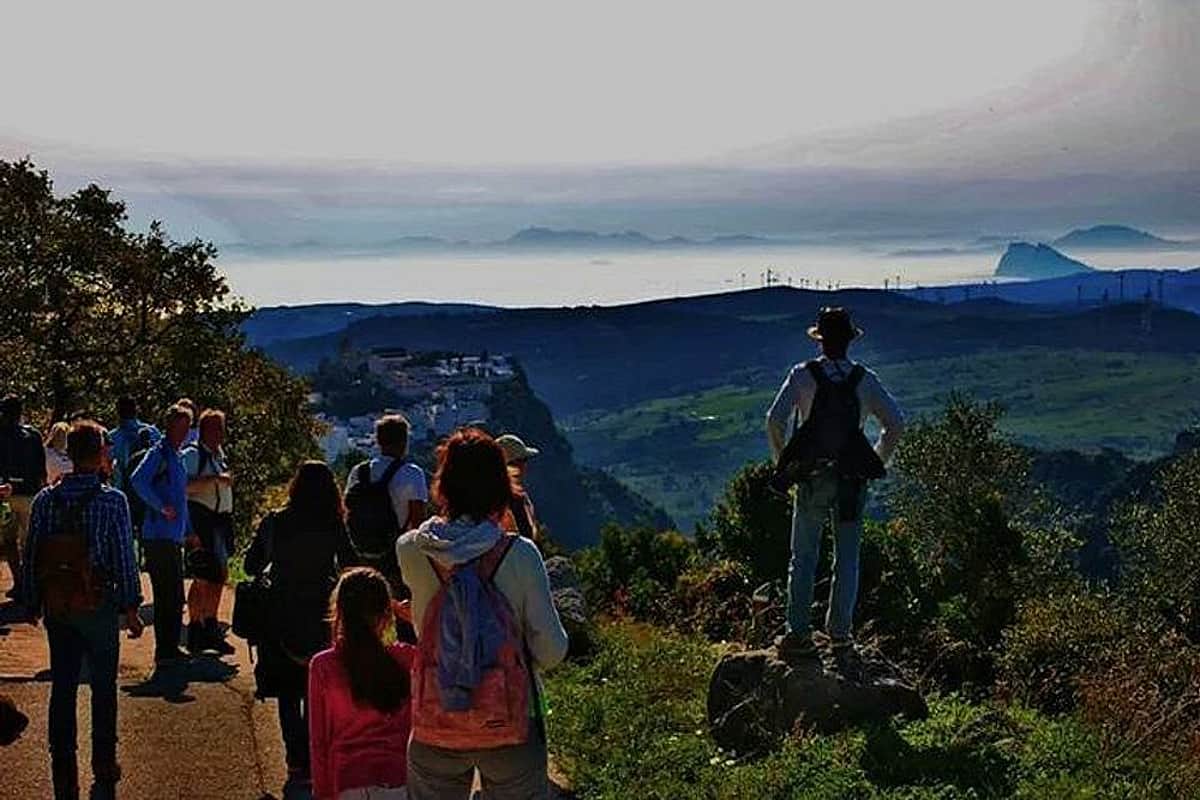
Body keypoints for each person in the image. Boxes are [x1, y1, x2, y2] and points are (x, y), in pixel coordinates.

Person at [397, 428, 568, 800]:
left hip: (436, 711)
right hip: (509, 718)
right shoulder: (520, 555)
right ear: (501, 485)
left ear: (443, 484)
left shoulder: (411, 549)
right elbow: (552, 650)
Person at [766, 307, 905, 672]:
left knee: (804, 556)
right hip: (851, 480)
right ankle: (840, 634)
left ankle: (798, 634)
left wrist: (786, 463)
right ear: (850, 340)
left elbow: (774, 420)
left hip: (811, 477)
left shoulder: (801, 376)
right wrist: (877, 460)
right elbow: (895, 424)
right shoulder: (865, 379)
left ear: (820, 340)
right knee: (847, 557)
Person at [21, 420, 144, 800]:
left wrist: (31, 599)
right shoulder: (112, 501)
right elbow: (125, 556)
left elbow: (32, 553)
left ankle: (63, 771)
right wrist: (131, 606)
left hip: (58, 603)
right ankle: (104, 763)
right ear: (101, 453)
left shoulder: (46, 500)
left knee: (64, 686)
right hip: (98, 603)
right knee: (103, 688)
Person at [245, 461, 357, 796]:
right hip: (322, 613)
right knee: (319, 688)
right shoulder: (333, 524)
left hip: (280, 613)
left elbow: (252, 566)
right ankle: (317, 755)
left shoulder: (276, 521)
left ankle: (296, 760)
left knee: (288, 691)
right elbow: (350, 563)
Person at [308, 567, 414, 800]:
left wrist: (322, 793)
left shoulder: (323, 665)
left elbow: (319, 741)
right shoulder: (406, 659)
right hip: (398, 778)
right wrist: (412, 617)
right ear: (386, 613)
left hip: (347, 779)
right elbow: (442, 655)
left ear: (340, 611)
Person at [131, 404, 192, 665]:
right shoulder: (159, 453)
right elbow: (137, 479)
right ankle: (165, 650)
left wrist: (188, 530)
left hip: (172, 535)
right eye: (179, 427)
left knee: (174, 595)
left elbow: (182, 499)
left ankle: (169, 648)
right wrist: (159, 505)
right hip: (157, 534)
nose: (183, 432)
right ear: (168, 426)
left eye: (186, 428)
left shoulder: (176, 456)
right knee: (168, 593)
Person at [344, 414, 428, 582]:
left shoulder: (358, 472)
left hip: (361, 549)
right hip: (395, 552)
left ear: (378, 441)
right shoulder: (412, 474)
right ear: (404, 441)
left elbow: (348, 511)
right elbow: (418, 522)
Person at [183, 409, 235, 656]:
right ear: (205, 430)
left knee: (219, 574)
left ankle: (209, 624)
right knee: (203, 576)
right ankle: (197, 627)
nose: (221, 434)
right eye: (217, 428)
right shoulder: (193, 455)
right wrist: (214, 480)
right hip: (202, 519)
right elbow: (183, 487)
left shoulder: (218, 454)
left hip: (220, 520)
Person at [0, 396, 47, 602]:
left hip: (6, 495)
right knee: (30, 542)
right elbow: (41, 468)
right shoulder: (33, 435)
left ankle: (20, 582)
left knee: (10, 542)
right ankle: (31, 582)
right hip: (30, 494)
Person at [106, 397, 160, 495]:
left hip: (125, 491)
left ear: (117, 412)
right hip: (151, 489)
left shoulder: (112, 438)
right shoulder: (153, 432)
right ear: (137, 410)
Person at [495, 433, 540, 544]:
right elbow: (526, 537)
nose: (525, 465)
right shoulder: (515, 499)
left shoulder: (483, 496)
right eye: (523, 460)